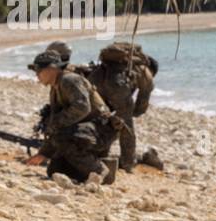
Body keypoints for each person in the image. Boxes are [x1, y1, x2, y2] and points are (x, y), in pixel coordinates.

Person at [28, 50, 120, 185]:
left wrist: (55, 123)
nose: (37, 75)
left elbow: (83, 108)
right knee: (55, 170)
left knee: (64, 137)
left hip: (101, 131)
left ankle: (100, 171)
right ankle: (100, 165)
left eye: (39, 70)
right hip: (86, 132)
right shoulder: (55, 87)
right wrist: (44, 153)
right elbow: (55, 125)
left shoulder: (69, 80)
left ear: (52, 69)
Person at [85, 42, 155, 172]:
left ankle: (96, 152)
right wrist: (130, 112)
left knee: (96, 118)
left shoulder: (112, 65)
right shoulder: (145, 72)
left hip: (96, 78)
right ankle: (128, 162)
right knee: (125, 125)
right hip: (117, 88)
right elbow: (142, 103)